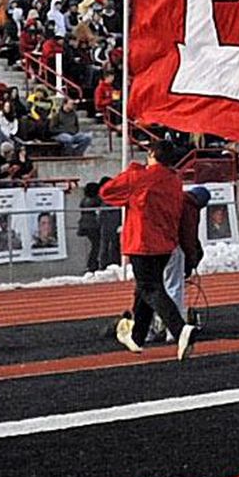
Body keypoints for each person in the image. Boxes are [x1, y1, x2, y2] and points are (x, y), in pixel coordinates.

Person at [100, 143, 195, 357]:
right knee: (144, 289)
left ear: (152, 155)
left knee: (150, 287)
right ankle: (137, 335)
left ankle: (180, 329)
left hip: (142, 242)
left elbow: (107, 191)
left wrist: (133, 170)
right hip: (164, 243)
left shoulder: (140, 177)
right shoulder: (174, 181)